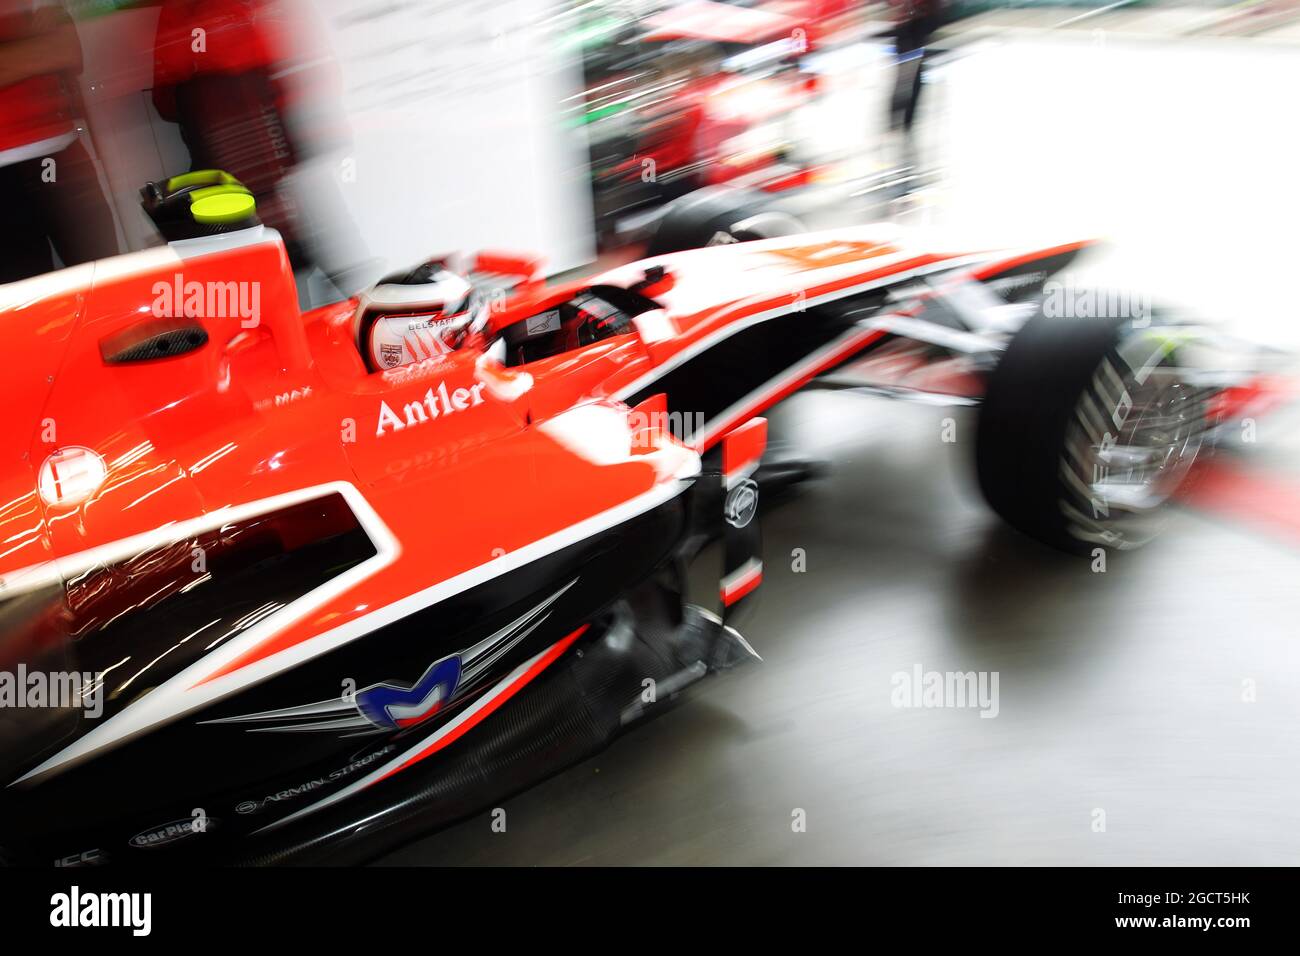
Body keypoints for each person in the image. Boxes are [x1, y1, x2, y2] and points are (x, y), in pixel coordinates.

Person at [0, 0, 117, 283]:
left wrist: (20, 54)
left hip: (62, 155)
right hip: (8, 177)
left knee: (108, 284)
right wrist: (40, 45)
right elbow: (56, 50)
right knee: (23, 309)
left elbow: (68, 51)